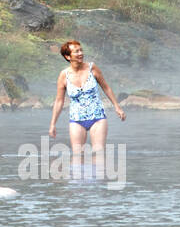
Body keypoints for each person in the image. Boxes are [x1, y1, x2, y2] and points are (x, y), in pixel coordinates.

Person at [49, 40, 125, 179]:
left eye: (81, 50)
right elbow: (59, 100)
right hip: (77, 120)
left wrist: (117, 106)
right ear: (68, 56)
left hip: (97, 117)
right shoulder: (64, 75)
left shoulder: (92, 68)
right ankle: (80, 188)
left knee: (98, 153)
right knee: (77, 156)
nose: (80, 53)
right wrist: (53, 123)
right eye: (76, 51)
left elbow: (106, 87)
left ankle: (95, 189)